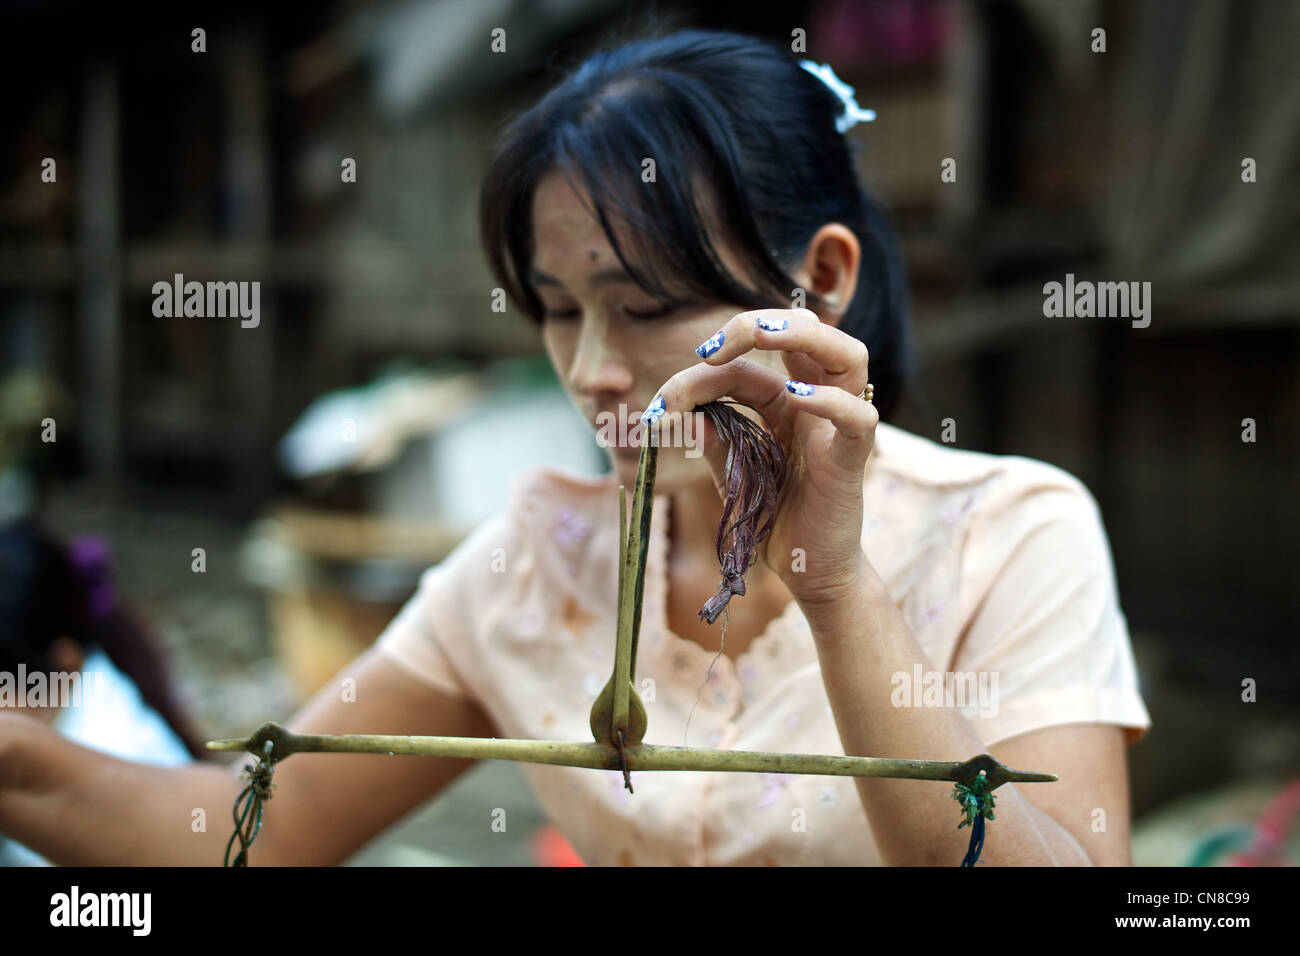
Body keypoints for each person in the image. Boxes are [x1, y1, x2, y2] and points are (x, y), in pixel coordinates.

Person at [0, 26, 1150, 866]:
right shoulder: (537, 562)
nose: (593, 366)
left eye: (644, 303)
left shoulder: (1011, 534)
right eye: (557, 306)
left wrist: (837, 587)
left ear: (824, 280)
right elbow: (255, 826)